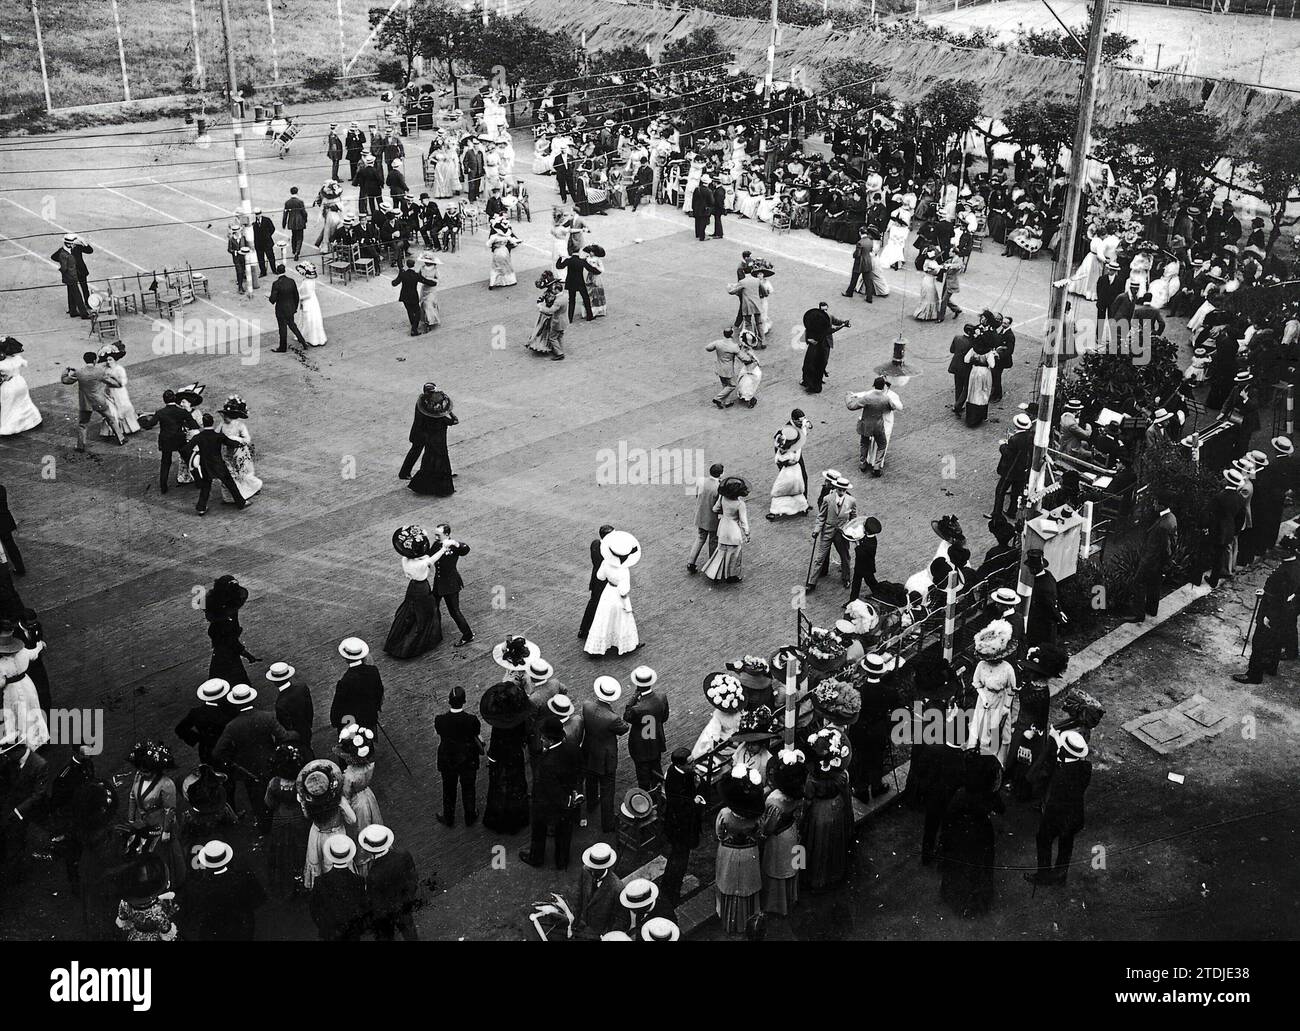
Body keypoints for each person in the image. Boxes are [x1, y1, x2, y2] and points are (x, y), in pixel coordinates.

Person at [213, 683, 290, 835]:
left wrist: (233, 761)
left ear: (235, 703)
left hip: (248, 769)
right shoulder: (267, 716)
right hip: (271, 764)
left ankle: (265, 827)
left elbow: (217, 752)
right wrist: (276, 752)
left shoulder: (232, 726)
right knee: (277, 793)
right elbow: (284, 736)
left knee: (257, 800)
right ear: (252, 699)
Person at [1026, 729, 1092, 886]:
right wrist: (1058, 740)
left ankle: (1043, 875)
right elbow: (1065, 758)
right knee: (1066, 843)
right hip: (1074, 815)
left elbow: (1043, 770)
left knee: (1043, 839)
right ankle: (1060, 875)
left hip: (1056, 814)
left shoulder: (1059, 772)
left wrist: (1054, 742)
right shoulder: (1085, 768)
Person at [519, 716, 579, 870]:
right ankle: (561, 861)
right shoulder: (571, 748)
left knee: (538, 830)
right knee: (564, 833)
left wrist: (564, 800)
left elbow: (549, 786)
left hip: (546, 802)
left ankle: (536, 858)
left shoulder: (546, 762)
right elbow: (577, 770)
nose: (541, 740)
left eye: (543, 737)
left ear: (549, 740)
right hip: (567, 797)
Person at [715, 768, 765, 934]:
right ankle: (749, 918)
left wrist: (726, 838)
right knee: (748, 883)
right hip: (749, 852)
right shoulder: (757, 817)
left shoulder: (725, 814)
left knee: (727, 881)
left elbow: (719, 833)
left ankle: (729, 918)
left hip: (728, 852)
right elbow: (760, 832)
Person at [802, 728, 853, 891]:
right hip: (837, 808)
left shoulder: (812, 778)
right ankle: (835, 874)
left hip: (818, 811)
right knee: (834, 841)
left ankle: (815, 877)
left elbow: (808, 797)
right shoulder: (842, 775)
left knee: (816, 844)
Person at [383, 524, 444, 659]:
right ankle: (416, 645)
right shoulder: (422, 563)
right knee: (426, 613)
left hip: (412, 587)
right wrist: (444, 547)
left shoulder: (405, 560)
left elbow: (420, 557)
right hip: (422, 588)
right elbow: (433, 558)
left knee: (410, 611)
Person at [760, 752, 806, 917]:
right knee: (793, 864)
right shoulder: (796, 795)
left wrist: (763, 834)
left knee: (777, 867)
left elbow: (768, 826)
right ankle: (792, 896)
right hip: (792, 830)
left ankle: (777, 905)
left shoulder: (774, 800)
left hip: (779, 838)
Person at [581, 676, 629, 832]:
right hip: (606, 758)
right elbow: (624, 728)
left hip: (589, 751)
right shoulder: (613, 718)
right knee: (608, 790)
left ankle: (591, 804)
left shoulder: (586, 706)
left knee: (590, 781)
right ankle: (607, 825)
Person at [584, 529, 642, 656]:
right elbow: (624, 589)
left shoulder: (605, 562)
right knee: (623, 619)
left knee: (602, 618)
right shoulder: (624, 569)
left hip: (607, 592)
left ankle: (596, 649)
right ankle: (626, 645)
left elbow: (600, 577)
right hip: (617, 594)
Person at [262, 745, 309, 899]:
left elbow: (268, 802)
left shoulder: (274, 783)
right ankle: (303, 877)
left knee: (284, 851)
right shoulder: (302, 781)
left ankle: (289, 882)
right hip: (300, 819)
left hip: (281, 819)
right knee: (302, 848)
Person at [661, 747, 704, 906]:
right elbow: (680, 806)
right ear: (681, 765)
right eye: (691, 763)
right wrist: (695, 802)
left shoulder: (681, 772)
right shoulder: (674, 779)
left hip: (682, 826)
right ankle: (672, 892)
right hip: (680, 827)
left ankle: (670, 887)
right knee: (679, 859)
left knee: (677, 858)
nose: (694, 765)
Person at [361, 824, 419, 940]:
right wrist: (408, 898)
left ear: (369, 849)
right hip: (404, 904)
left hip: (386, 913)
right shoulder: (403, 855)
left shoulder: (373, 874)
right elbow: (413, 878)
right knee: (409, 930)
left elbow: (375, 901)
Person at [434, 686, 481, 827]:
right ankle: (470, 816)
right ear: (464, 701)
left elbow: (439, 732)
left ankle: (448, 818)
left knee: (448, 789)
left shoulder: (440, 720)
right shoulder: (472, 720)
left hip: (448, 759)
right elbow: (476, 734)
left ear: (449, 701)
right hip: (468, 758)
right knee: (469, 788)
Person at [310, 834, 370, 941]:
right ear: (348, 857)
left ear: (331, 856)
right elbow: (363, 908)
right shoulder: (358, 881)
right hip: (352, 932)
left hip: (330, 932)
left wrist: (324, 927)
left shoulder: (320, 881)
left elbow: (315, 910)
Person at [61, 352, 125, 450]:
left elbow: (65, 380)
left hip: (85, 403)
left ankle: (81, 446)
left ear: (85, 360)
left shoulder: (79, 372)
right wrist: (118, 381)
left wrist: (66, 370)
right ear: (95, 360)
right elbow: (113, 383)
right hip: (99, 401)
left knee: (83, 424)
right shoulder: (99, 371)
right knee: (110, 419)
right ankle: (121, 439)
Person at [1127, 499, 1177, 623]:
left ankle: (1138, 614)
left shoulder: (1162, 525)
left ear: (1162, 505)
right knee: (1155, 585)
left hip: (1152, 560)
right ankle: (1152, 609)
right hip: (1159, 561)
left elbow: (1165, 548)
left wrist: (1147, 561)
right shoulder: (1171, 518)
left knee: (1138, 583)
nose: (1154, 505)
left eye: (1156, 503)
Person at [807, 474, 857, 590]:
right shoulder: (827, 499)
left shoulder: (851, 501)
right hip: (827, 531)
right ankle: (811, 583)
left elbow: (853, 518)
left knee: (845, 557)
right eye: (839, 489)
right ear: (835, 488)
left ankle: (846, 578)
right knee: (820, 558)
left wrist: (851, 532)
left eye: (844, 490)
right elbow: (821, 517)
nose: (841, 492)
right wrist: (816, 530)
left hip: (842, 533)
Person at [407, 386, 458, 497]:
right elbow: (455, 421)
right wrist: (449, 411)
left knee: (428, 464)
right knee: (442, 465)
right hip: (440, 445)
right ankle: (443, 489)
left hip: (430, 443)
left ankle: (423, 487)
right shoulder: (442, 418)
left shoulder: (426, 415)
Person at [847, 377, 903, 477]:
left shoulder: (867, 397)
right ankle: (876, 467)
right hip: (878, 426)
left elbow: (851, 406)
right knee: (882, 445)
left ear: (874, 385)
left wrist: (848, 397)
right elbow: (893, 407)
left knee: (864, 444)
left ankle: (862, 463)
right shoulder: (886, 398)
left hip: (865, 425)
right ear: (883, 386)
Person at [624, 665, 668, 789]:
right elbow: (664, 717)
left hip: (640, 746)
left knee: (643, 777)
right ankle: (659, 793)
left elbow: (626, 717)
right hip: (656, 741)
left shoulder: (636, 709)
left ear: (637, 684)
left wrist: (632, 699)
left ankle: (646, 798)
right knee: (656, 769)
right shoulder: (662, 697)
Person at [702, 476, 751, 584]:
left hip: (723, 526)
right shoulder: (740, 504)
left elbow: (715, 509)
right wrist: (747, 534)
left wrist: (723, 514)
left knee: (721, 551)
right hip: (734, 530)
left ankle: (715, 573)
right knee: (735, 553)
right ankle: (731, 575)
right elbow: (743, 521)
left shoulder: (722, 498)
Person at [574, 842, 625, 938]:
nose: (592, 871)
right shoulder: (585, 871)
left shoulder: (617, 888)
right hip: (581, 927)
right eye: (591, 866)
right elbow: (579, 895)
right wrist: (575, 919)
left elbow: (622, 920)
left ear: (605, 867)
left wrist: (607, 936)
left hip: (599, 934)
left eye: (596, 869)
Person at [331, 637, 383, 731]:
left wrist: (335, 721)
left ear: (346, 658)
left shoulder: (345, 682)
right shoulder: (373, 670)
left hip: (352, 722)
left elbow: (338, 706)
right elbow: (379, 692)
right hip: (370, 716)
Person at [217, 396, 261, 503]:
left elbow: (247, 439)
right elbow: (215, 435)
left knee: (243, 474)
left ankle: (251, 489)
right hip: (228, 454)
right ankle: (229, 497)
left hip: (240, 454)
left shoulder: (240, 425)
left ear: (232, 416)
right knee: (230, 474)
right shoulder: (222, 425)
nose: (224, 417)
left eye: (226, 415)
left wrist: (235, 439)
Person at [769, 419, 811, 519]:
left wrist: (784, 463)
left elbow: (777, 460)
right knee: (797, 491)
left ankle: (776, 511)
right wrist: (804, 427)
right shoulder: (796, 451)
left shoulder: (780, 451)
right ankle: (802, 508)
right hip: (796, 471)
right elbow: (802, 438)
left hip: (786, 473)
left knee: (780, 491)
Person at [0, 338, 41, 436]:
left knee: (9, 406)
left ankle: (9, 426)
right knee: (24, 402)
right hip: (20, 382)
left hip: (9, 385)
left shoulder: (2, 364)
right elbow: (24, 364)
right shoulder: (18, 359)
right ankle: (31, 420)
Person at [51, 233, 93, 319]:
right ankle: (81, 313)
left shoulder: (76, 247)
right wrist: (64, 263)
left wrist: (84, 243)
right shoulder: (63, 252)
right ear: (67, 243)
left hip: (80, 271)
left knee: (83, 289)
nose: (73, 245)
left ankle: (75, 309)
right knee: (75, 294)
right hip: (71, 275)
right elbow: (53, 257)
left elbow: (90, 250)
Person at [526, 275, 568, 360]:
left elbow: (550, 309)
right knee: (558, 335)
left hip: (551, 317)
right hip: (561, 319)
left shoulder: (556, 299)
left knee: (550, 335)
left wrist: (540, 307)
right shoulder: (563, 295)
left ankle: (558, 352)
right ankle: (558, 349)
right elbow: (541, 298)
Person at [706, 327, 741, 409]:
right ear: (731, 334)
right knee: (732, 385)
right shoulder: (733, 346)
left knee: (725, 385)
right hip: (728, 370)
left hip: (719, 368)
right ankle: (718, 398)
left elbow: (708, 348)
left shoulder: (718, 343)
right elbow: (742, 357)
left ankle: (727, 402)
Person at [392, 258, 425, 336]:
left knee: (409, 311)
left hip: (404, 296)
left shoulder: (403, 274)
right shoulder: (416, 275)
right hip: (413, 296)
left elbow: (394, 283)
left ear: (407, 265)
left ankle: (413, 327)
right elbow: (424, 280)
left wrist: (399, 275)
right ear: (413, 265)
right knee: (417, 312)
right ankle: (414, 329)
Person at [282, 187, 308, 260]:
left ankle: (294, 250)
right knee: (300, 237)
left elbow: (285, 214)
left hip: (291, 222)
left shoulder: (287, 202)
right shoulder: (300, 202)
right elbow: (304, 212)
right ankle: (297, 252)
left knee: (294, 236)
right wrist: (305, 220)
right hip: (300, 221)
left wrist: (284, 223)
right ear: (297, 192)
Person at [691, 174, 713, 241]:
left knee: (697, 221)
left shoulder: (697, 189)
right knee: (703, 223)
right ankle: (702, 236)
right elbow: (711, 202)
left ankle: (697, 234)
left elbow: (693, 199)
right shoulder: (709, 191)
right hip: (704, 209)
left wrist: (693, 207)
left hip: (696, 208)